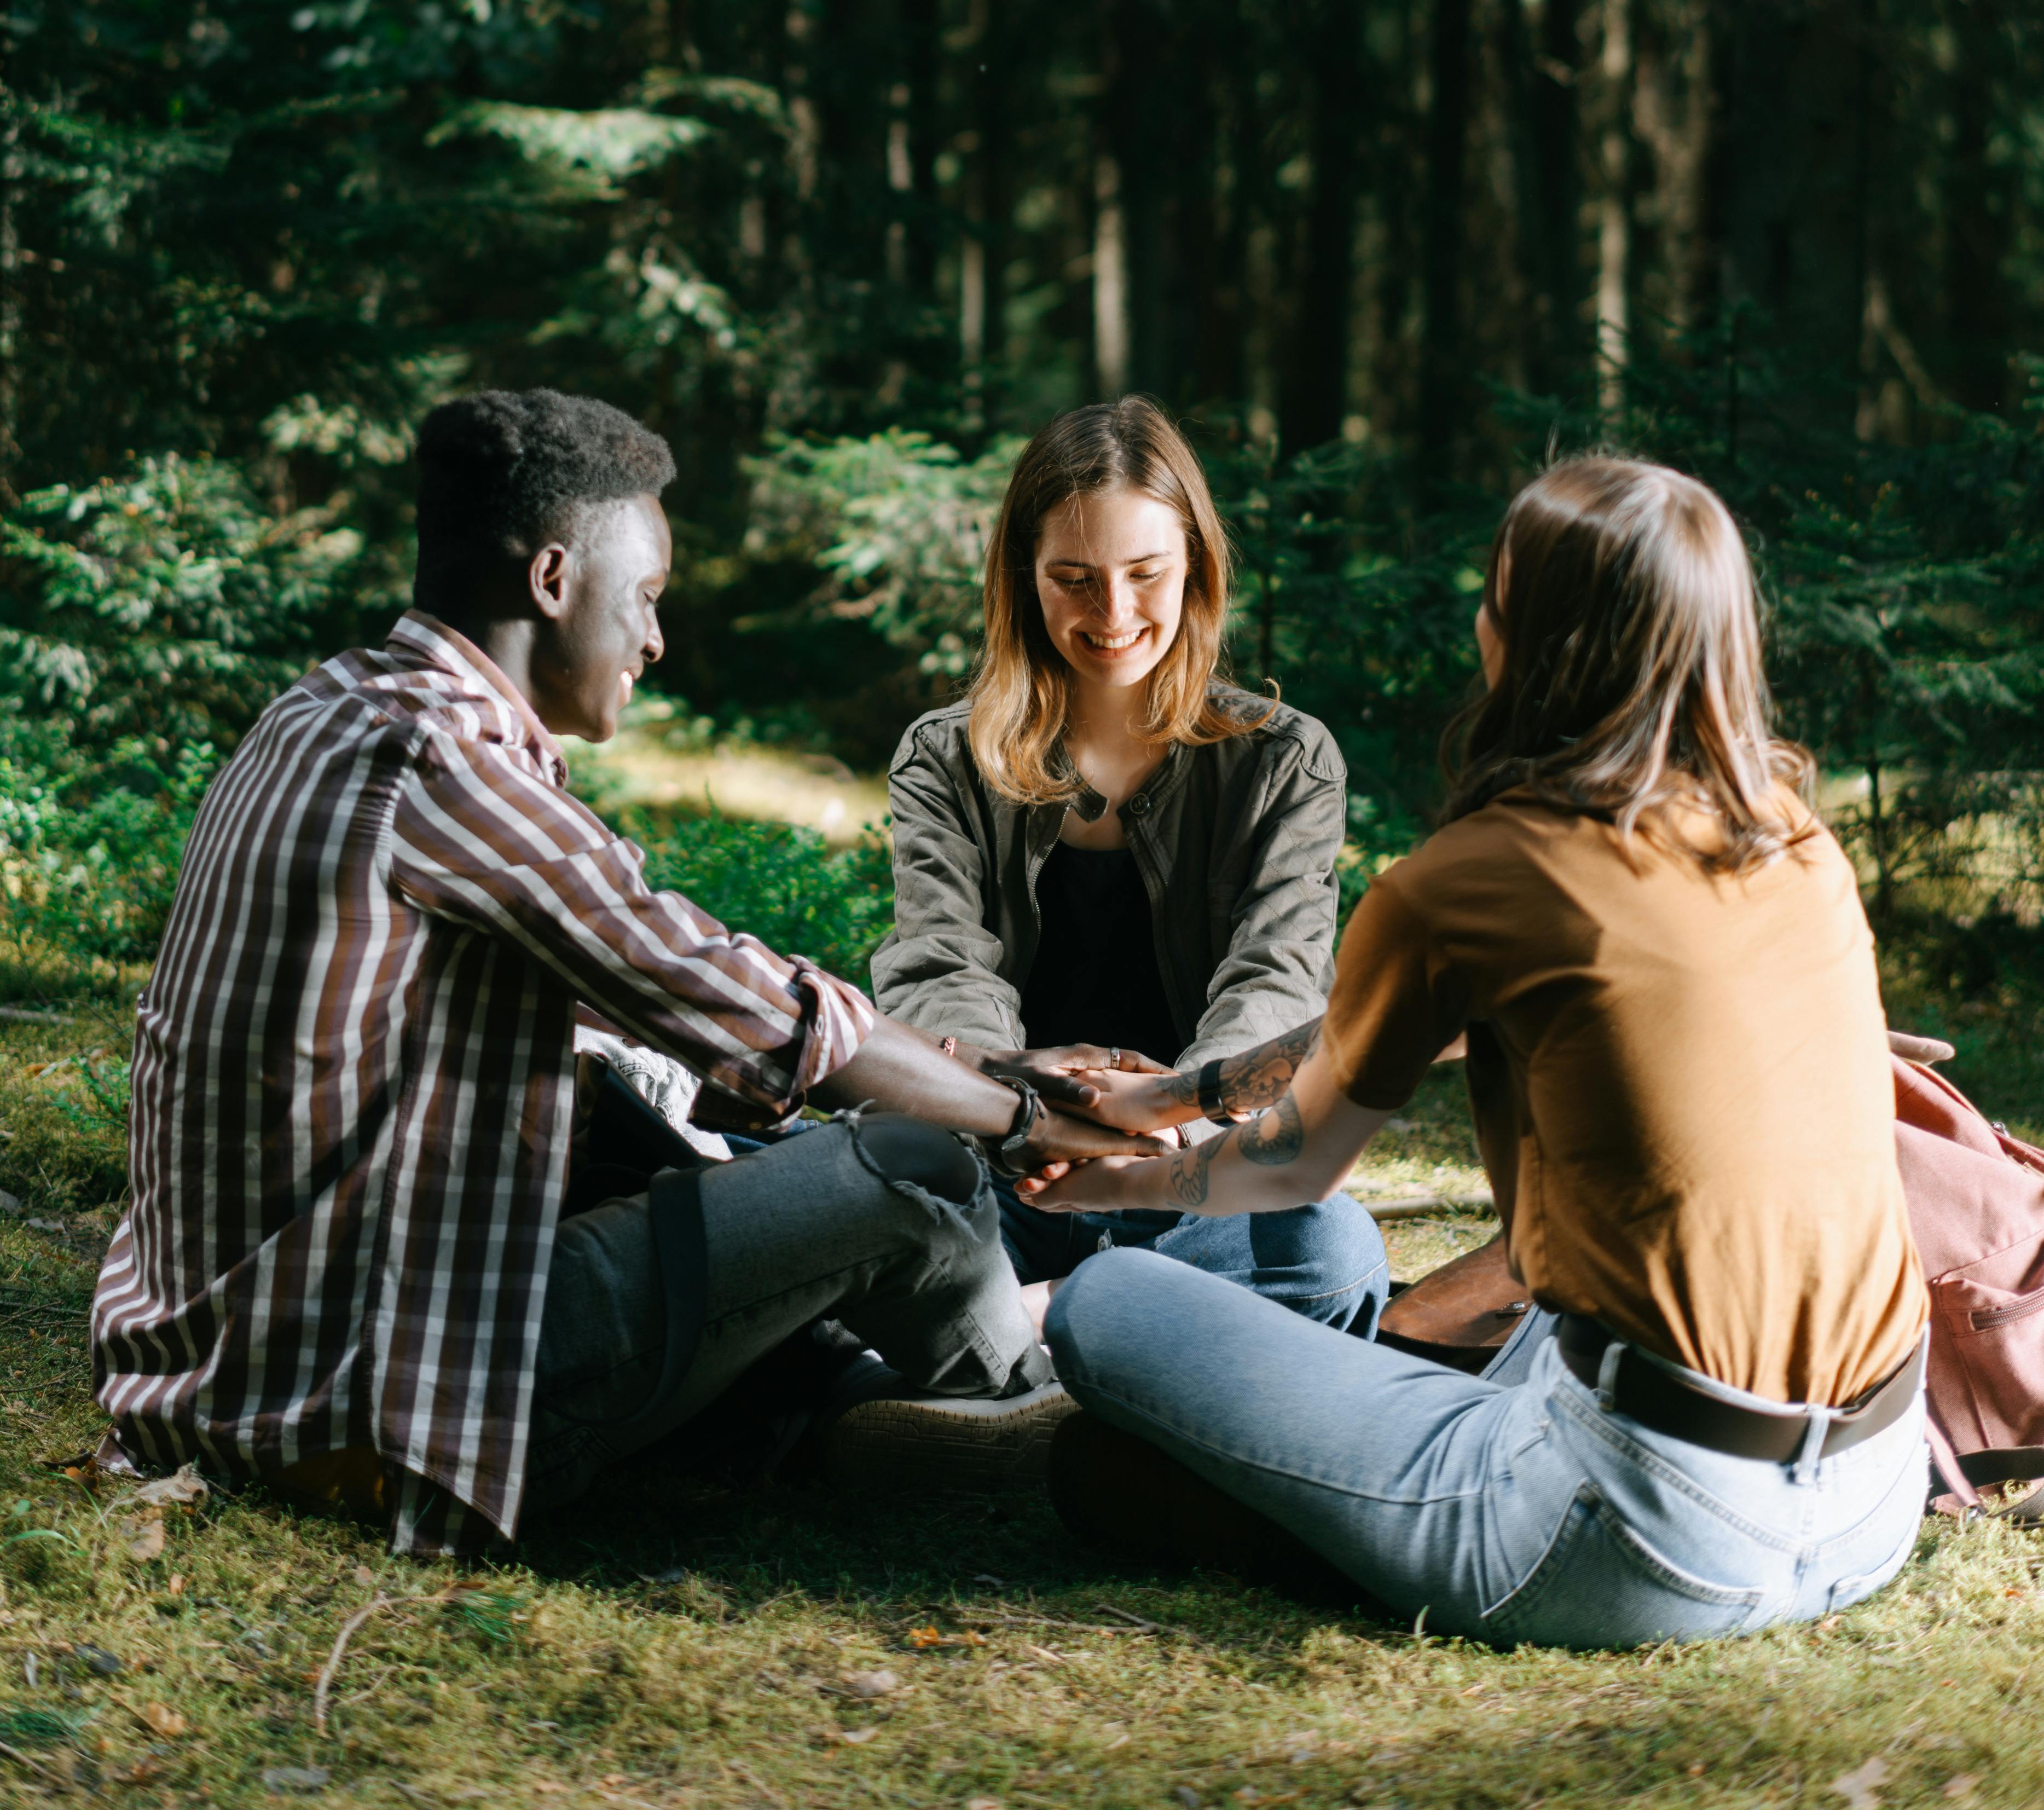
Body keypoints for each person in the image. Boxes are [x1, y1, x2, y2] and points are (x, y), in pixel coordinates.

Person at [90, 389, 1157, 1559]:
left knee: (723, 1155)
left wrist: (995, 1066)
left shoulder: (325, 711)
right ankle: (1027, 1399)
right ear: (553, 579)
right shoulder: (450, 768)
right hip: (369, 1398)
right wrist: (1015, 1116)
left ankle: (863, 1403)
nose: (654, 641)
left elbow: (645, 1002)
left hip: (218, 1362)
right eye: (643, 599)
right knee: (905, 1164)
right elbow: (747, 1007)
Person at [1020, 458, 1931, 1649]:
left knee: (1109, 1304)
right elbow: (1421, 1022)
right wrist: (1170, 1095)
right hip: (1871, 1503)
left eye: (1492, 592)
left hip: (1642, 1530)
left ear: (1524, 634)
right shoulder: (1795, 842)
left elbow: (1293, 1169)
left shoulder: (1471, 879)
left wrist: (1112, 1179)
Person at [871, 396, 1386, 1336]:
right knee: (849, 1189)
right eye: (1073, 578)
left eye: (1146, 573)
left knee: (1330, 1250)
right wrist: (1027, 1115)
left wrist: (1166, 1125)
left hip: (1194, 1182)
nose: (1112, 614)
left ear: (1195, 570)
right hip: (1009, 1170)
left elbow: (1276, 982)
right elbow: (937, 970)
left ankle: (1023, 1327)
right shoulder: (942, 758)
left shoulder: (1287, 761)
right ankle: (1088, 1328)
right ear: (1024, 580)